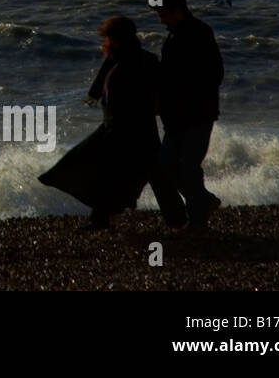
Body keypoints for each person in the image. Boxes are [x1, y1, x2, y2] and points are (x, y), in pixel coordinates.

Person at [39, 16, 186, 230]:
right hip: (135, 129)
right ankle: (176, 220)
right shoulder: (132, 59)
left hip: (122, 130)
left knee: (104, 170)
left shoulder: (127, 63)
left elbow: (154, 96)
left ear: (116, 39)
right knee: (145, 175)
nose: (106, 42)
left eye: (108, 38)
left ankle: (176, 220)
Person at [150, 0, 223, 228]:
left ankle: (198, 220)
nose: (161, 21)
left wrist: (180, 94)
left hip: (197, 114)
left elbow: (214, 73)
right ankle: (204, 202)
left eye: (163, 15)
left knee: (188, 166)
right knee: (168, 166)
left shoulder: (198, 32)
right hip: (177, 116)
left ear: (177, 11)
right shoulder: (175, 34)